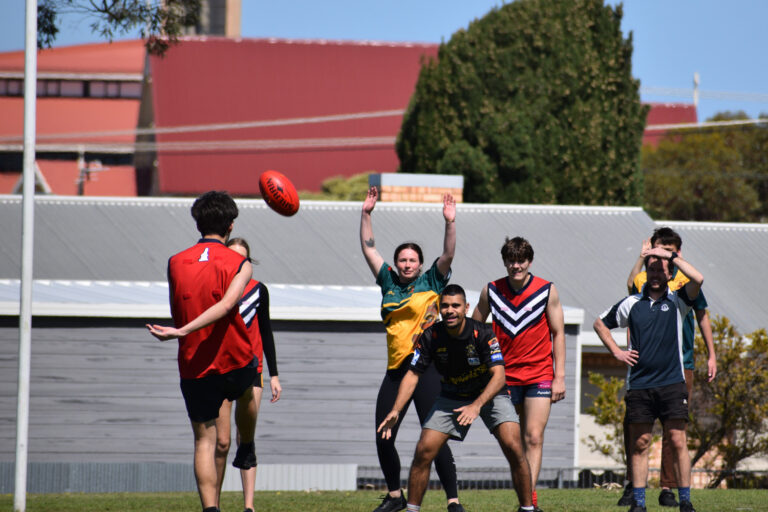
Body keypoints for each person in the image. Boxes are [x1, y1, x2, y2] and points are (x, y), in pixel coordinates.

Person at [146, 191, 258, 512]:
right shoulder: (240, 262)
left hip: (193, 363)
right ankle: (247, 443)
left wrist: (183, 331)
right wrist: (182, 330)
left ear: (197, 222)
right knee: (249, 389)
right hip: (233, 357)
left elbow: (180, 305)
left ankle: (210, 508)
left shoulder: (175, 262)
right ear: (231, 225)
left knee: (204, 442)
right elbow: (226, 305)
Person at [378, 285, 535, 512]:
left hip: (490, 394)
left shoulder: (482, 334)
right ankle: (412, 509)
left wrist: (476, 405)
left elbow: (499, 376)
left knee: (513, 446)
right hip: (452, 395)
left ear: (466, 308)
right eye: (445, 306)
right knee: (424, 450)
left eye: (455, 306)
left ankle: (527, 509)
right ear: (439, 309)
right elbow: (412, 375)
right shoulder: (431, 335)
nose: (450, 310)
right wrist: (395, 409)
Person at [360, 186, 462, 512]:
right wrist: (366, 214)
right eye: (402, 259)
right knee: (382, 434)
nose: (407, 264)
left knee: (434, 435)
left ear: (420, 264)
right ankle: (394, 497)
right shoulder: (388, 282)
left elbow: (447, 255)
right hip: (395, 370)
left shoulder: (432, 280)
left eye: (412, 260)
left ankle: (453, 500)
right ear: (396, 263)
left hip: (427, 369)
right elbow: (368, 249)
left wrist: (449, 222)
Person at [594, 246, 703, 512]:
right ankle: (639, 504)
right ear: (646, 272)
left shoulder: (679, 302)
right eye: (651, 269)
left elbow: (698, 279)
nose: (655, 274)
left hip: (672, 384)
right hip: (640, 386)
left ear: (668, 273)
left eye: (660, 270)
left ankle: (685, 500)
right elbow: (600, 323)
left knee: (678, 440)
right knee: (640, 443)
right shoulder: (631, 303)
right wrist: (617, 352)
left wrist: (670, 256)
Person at [617, 228, 717, 507]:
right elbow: (629, 297)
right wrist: (642, 257)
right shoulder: (646, 278)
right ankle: (632, 486)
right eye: (657, 250)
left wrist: (712, 354)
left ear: (676, 253)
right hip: (644, 366)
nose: (659, 258)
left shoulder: (684, 282)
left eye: (667, 251)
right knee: (636, 428)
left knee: (675, 431)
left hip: (681, 362)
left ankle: (668, 487)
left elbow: (702, 316)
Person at [471, 237, 565, 512]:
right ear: (505, 262)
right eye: (511, 261)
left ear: (529, 261)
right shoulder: (491, 291)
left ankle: (529, 504)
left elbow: (558, 334)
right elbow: (475, 329)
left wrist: (560, 376)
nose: (516, 266)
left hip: (540, 374)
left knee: (533, 437)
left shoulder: (547, 290)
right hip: (503, 378)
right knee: (513, 444)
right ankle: (527, 498)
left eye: (521, 260)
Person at [212, 237, 282, 512]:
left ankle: (249, 507)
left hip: (253, 370)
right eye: (231, 257)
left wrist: (274, 374)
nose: (236, 263)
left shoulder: (258, 290)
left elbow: (266, 331)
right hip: (220, 369)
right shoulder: (214, 288)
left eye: (242, 259)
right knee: (222, 440)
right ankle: (213, 504)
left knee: (245, 438)